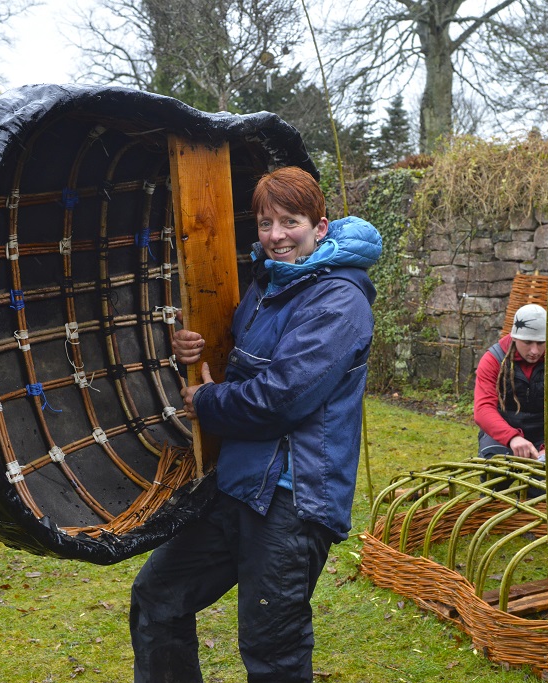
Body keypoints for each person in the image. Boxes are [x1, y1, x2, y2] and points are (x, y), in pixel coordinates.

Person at [129, 166, 381, 682]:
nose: (276, 235)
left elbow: (283, 397)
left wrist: (209, 401)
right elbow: (243, 359)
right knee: (158, 597)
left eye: (291, 221)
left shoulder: (339, 299)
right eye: (266, 223)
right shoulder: (270, 283)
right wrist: (197, 349)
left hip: (295, 494)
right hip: (243, 482)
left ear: (321, 226)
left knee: (273, 651)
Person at [473, 303, 548, 460]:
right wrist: (512, 438)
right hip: (503, 432)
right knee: (494, 470)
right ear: (514, 337)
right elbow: (483, 409)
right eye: (528, 342)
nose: (535, 351)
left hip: (547, 434)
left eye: (541, 343)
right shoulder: (493, 359)